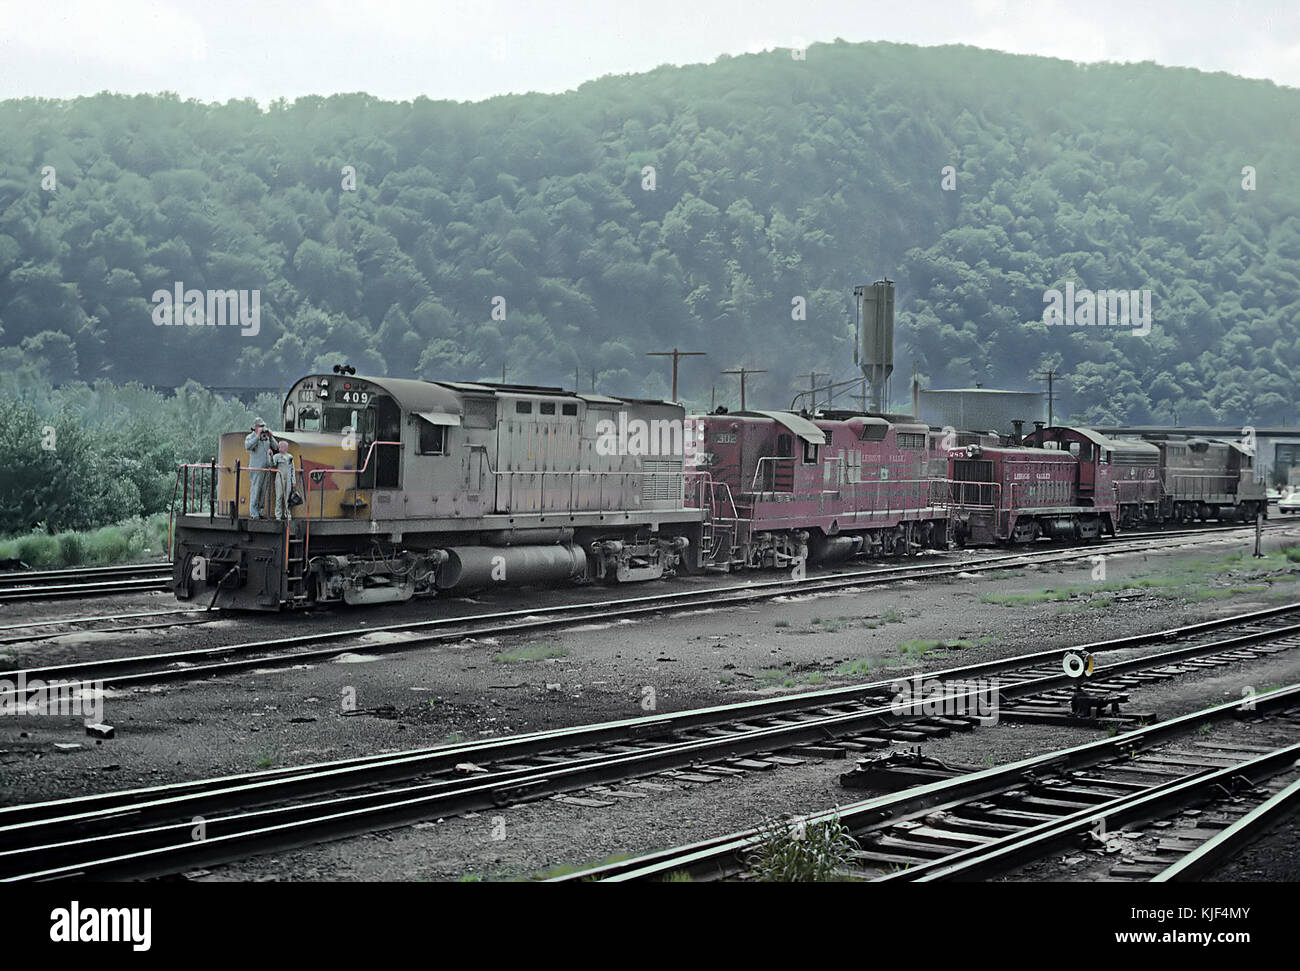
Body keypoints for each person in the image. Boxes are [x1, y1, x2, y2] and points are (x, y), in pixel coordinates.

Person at [244, 418, 278, 519]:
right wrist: (257, 436)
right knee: (256, 490)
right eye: (260, 426)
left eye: (263, 426)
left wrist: (271, 437)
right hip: (256, 468)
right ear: (255, 427)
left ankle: (259, 511)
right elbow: (248, 446)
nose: (263, 428)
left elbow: (276, 447)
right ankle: (253, 512)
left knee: (263, 491)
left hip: (266, 468)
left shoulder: (266, 437)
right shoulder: (250, 437)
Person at [269, 440, 298, 522]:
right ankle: (278, 515)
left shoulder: (290, 457)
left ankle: (287, 514)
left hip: (288, 478)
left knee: (288, 497)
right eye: (279, 446)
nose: (280, 448)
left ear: (286, 447)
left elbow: (293, 469)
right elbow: (272, 464)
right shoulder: (277, 456)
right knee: (279, 496)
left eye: (282, 446)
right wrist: (271, 456)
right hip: (279, 477)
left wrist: (294, 481)